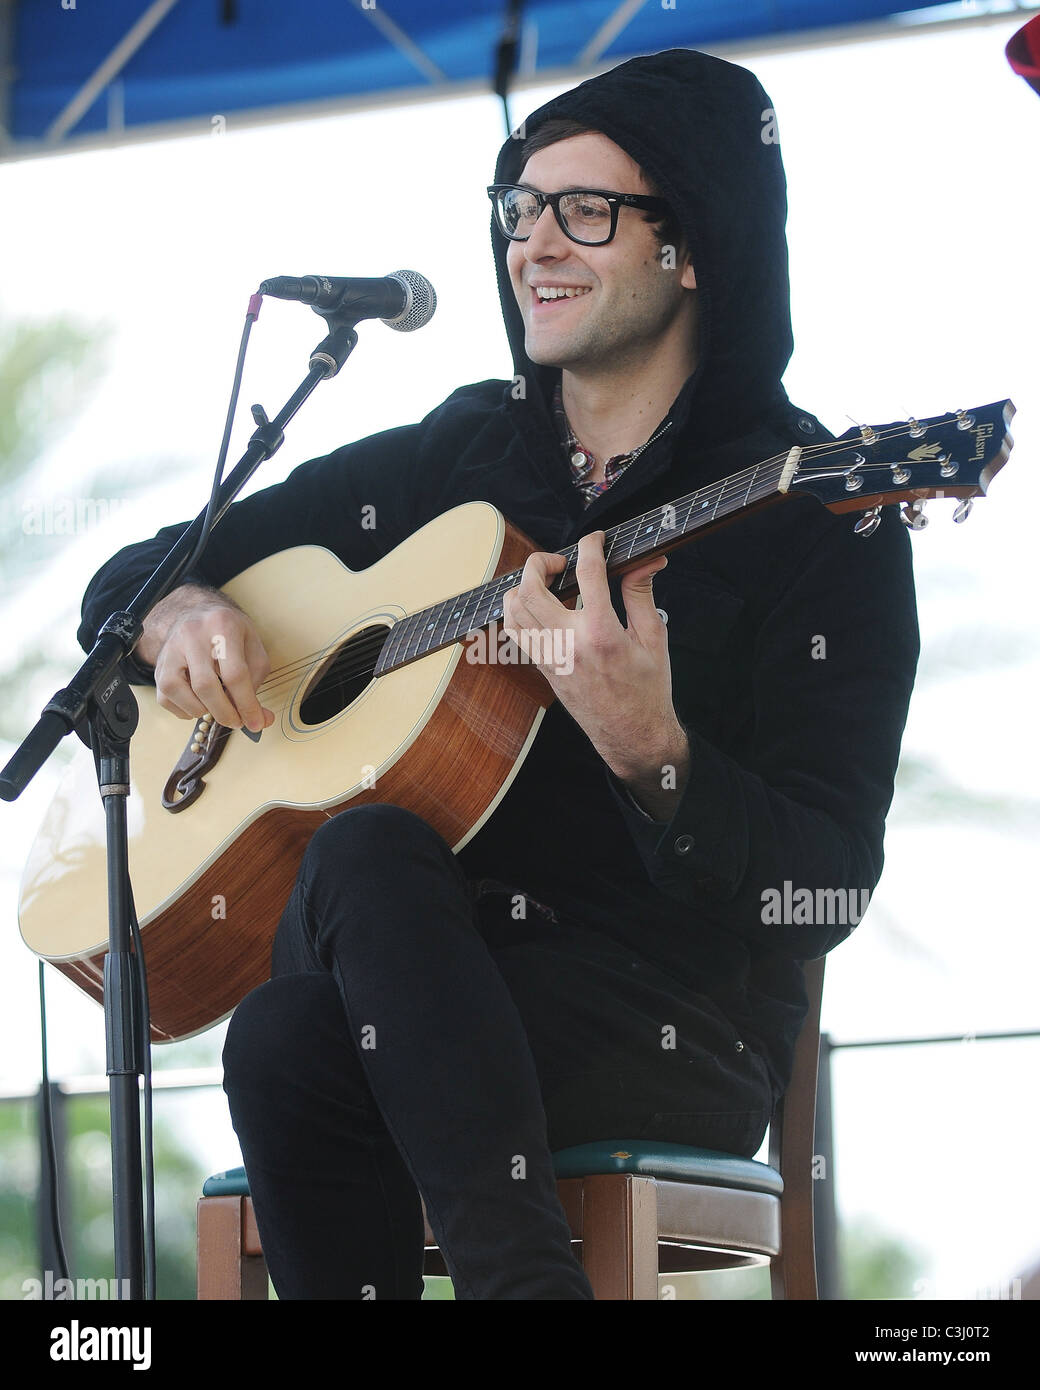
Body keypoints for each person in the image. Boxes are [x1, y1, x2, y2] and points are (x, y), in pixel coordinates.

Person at [77, 48, 920, 1299]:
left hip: (661, 1018)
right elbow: (128, 588)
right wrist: (184, 613)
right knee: (309, 983)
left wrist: (656, 756)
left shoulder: (819, 515)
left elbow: (825, 882)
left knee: (295, 1013)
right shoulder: (458, 454)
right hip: (410, 995)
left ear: (692, 246)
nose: (535, 245)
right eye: (519, 210)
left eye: (586, 211)